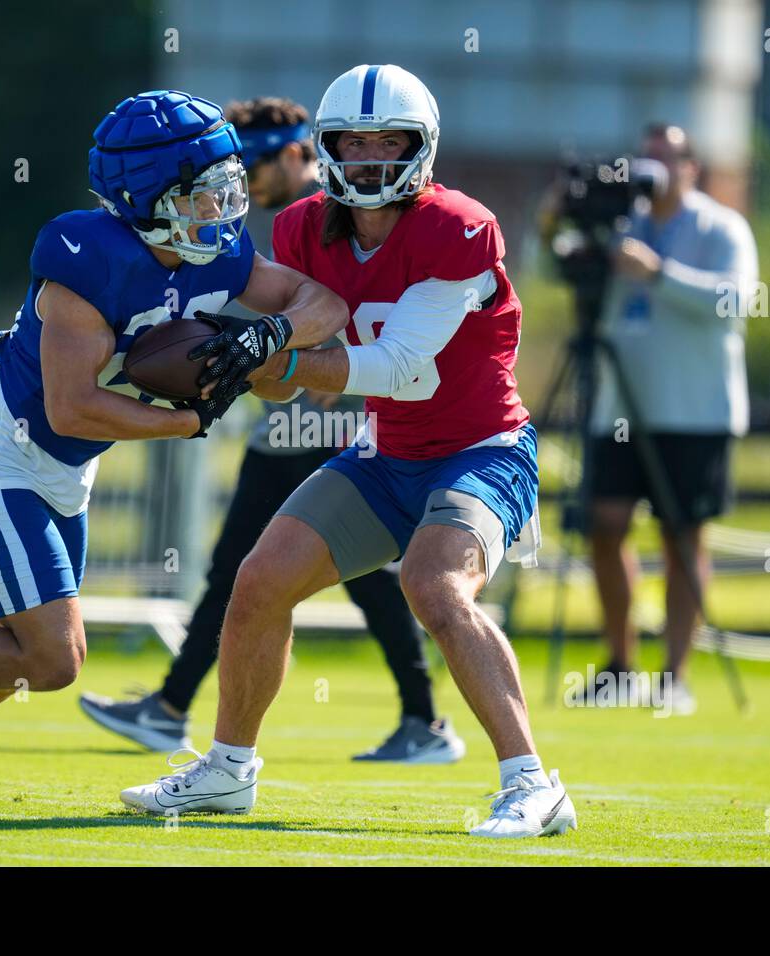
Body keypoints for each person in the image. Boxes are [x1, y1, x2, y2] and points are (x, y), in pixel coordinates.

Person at [0, 90, 349, 804]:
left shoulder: (219, 252)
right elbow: (73, 409)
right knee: (53, 659)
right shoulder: (89, 257)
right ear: (150, 194)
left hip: (61, 474)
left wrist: (270, 334)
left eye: (229, 184)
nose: (225, 205)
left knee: (18, 654)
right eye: (206, 190)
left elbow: (324, 303)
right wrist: (186, 421)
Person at [120, 65, 575, 839]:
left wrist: (276, 357)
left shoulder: (457, 226)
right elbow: (297, 383)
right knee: (258, 580)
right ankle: (228, 771)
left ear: (420, 148)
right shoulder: (301, 227)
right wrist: (234, 361)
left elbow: (400, 366)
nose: (367, 159)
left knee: (435, 587)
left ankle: (533, 784)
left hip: (480, 448)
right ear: (324, 148)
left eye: (385, 142)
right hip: (388, 452)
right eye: (351, 143)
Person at [78, 96, 464, 764]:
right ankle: (172, 707)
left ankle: (424, 720)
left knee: (359, 576)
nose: (241, 178)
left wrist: (298, 369)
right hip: (281, 425)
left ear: (296, 154)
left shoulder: (356, 212)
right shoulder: (275, 225)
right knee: (241, 572)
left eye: (251, 162)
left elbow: (367, 318)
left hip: (342, 425)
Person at [584, 123, 757, 716]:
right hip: (619, 406)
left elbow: (736, 302)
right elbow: (552, 271)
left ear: (691, 167)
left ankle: (674, 676)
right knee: (603, 525)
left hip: (695, 410)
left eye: (665, 158)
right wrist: (565, 219)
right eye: (644, 158)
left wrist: (658, 274)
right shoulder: (618, 222)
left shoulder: (721, 227)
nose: (651, 170)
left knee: (682, 537)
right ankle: (619, 666)